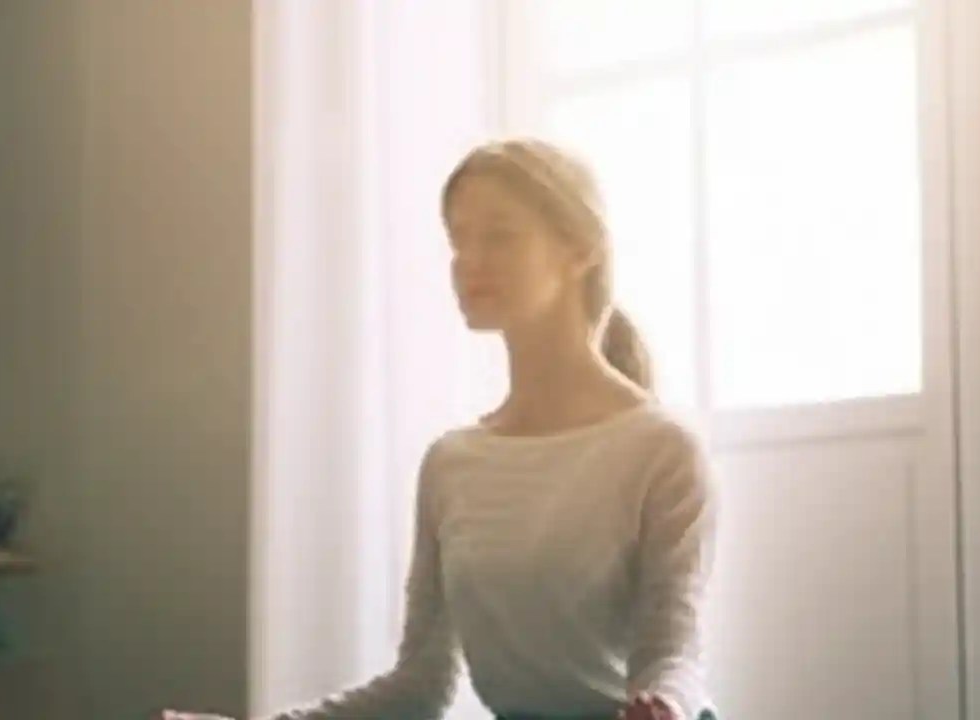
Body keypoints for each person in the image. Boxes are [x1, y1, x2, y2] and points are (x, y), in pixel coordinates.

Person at [168, 138, 720, 720]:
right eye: (458, 241)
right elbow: (419, 687)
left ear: (580, 249)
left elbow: (672, 653)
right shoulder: (451, 464)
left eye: (499, 236)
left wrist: (665, 707)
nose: (468, 262)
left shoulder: (663, 449)